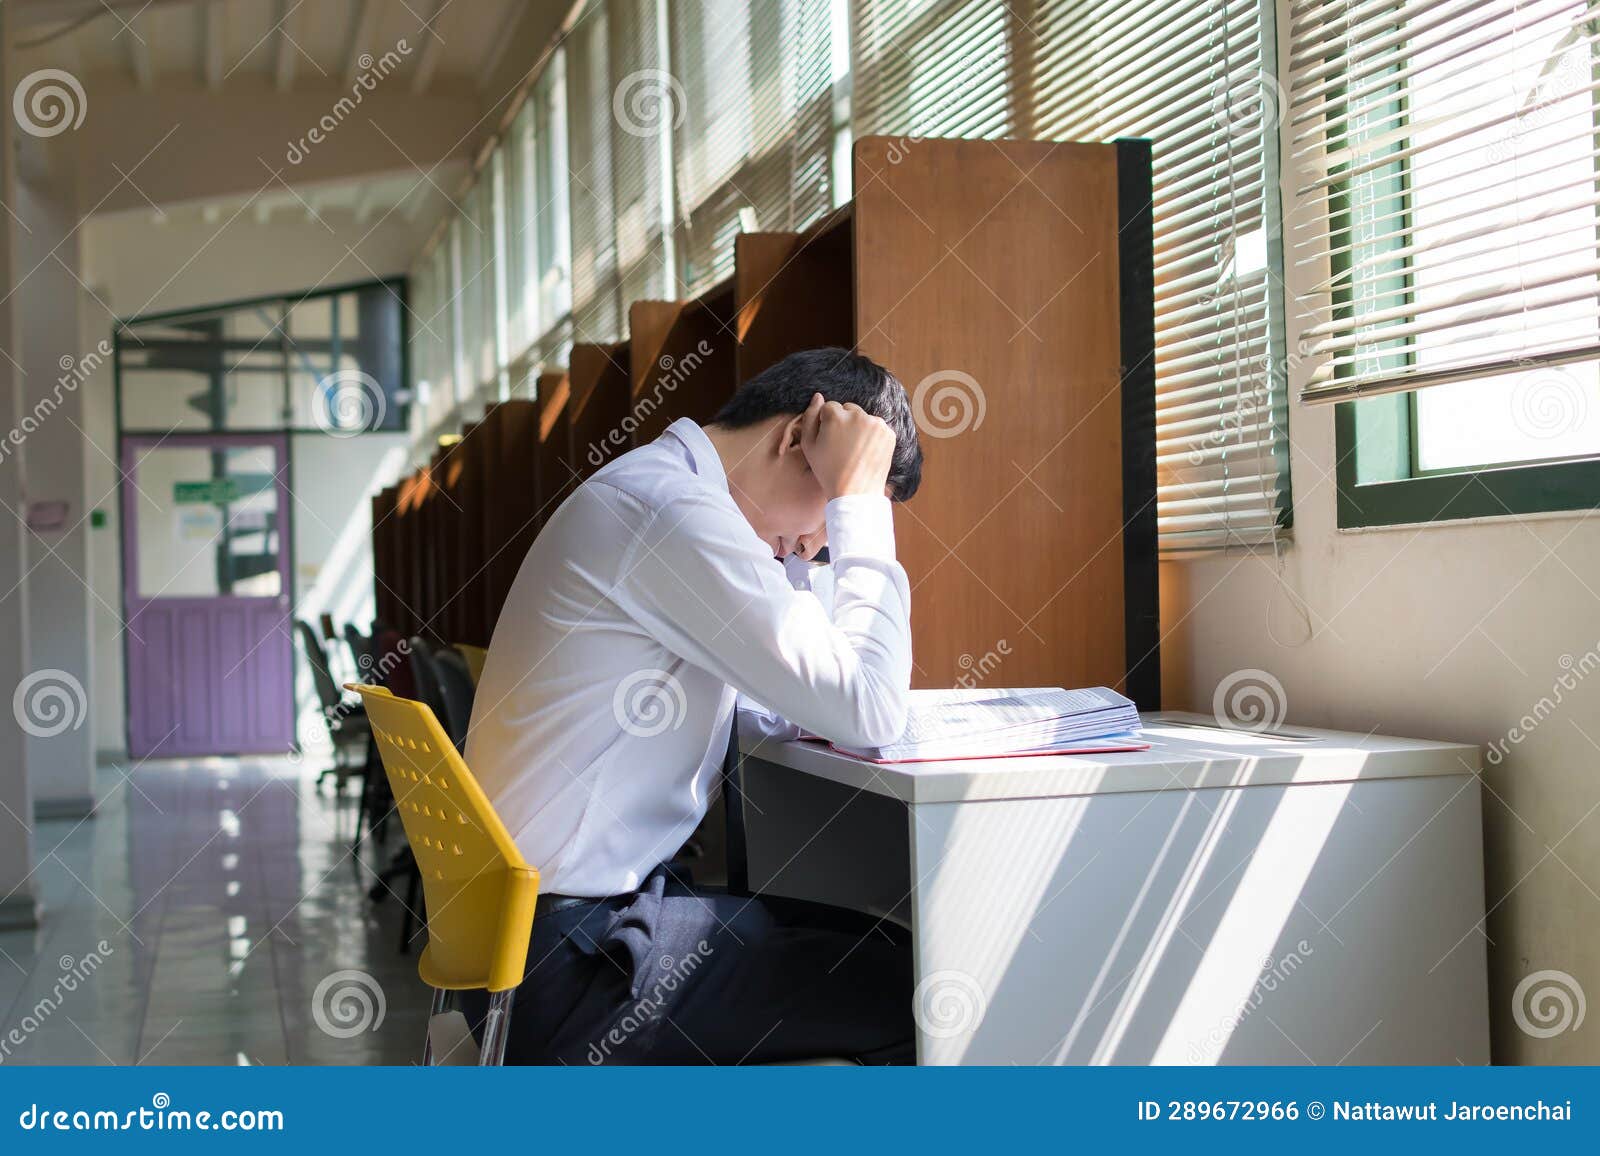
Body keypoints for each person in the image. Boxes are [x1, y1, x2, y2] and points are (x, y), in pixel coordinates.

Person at [461, 347, 923, 1064]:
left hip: (537, 941)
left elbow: (799, 700)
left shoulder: (659, 492)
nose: (814, 545)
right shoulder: (670, 511)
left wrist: (818, 545)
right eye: (825, 512)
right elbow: (869, 710)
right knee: (924, 985)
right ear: (796, 438)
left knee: (886, 942)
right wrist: (859, 503)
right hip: (567, 966)